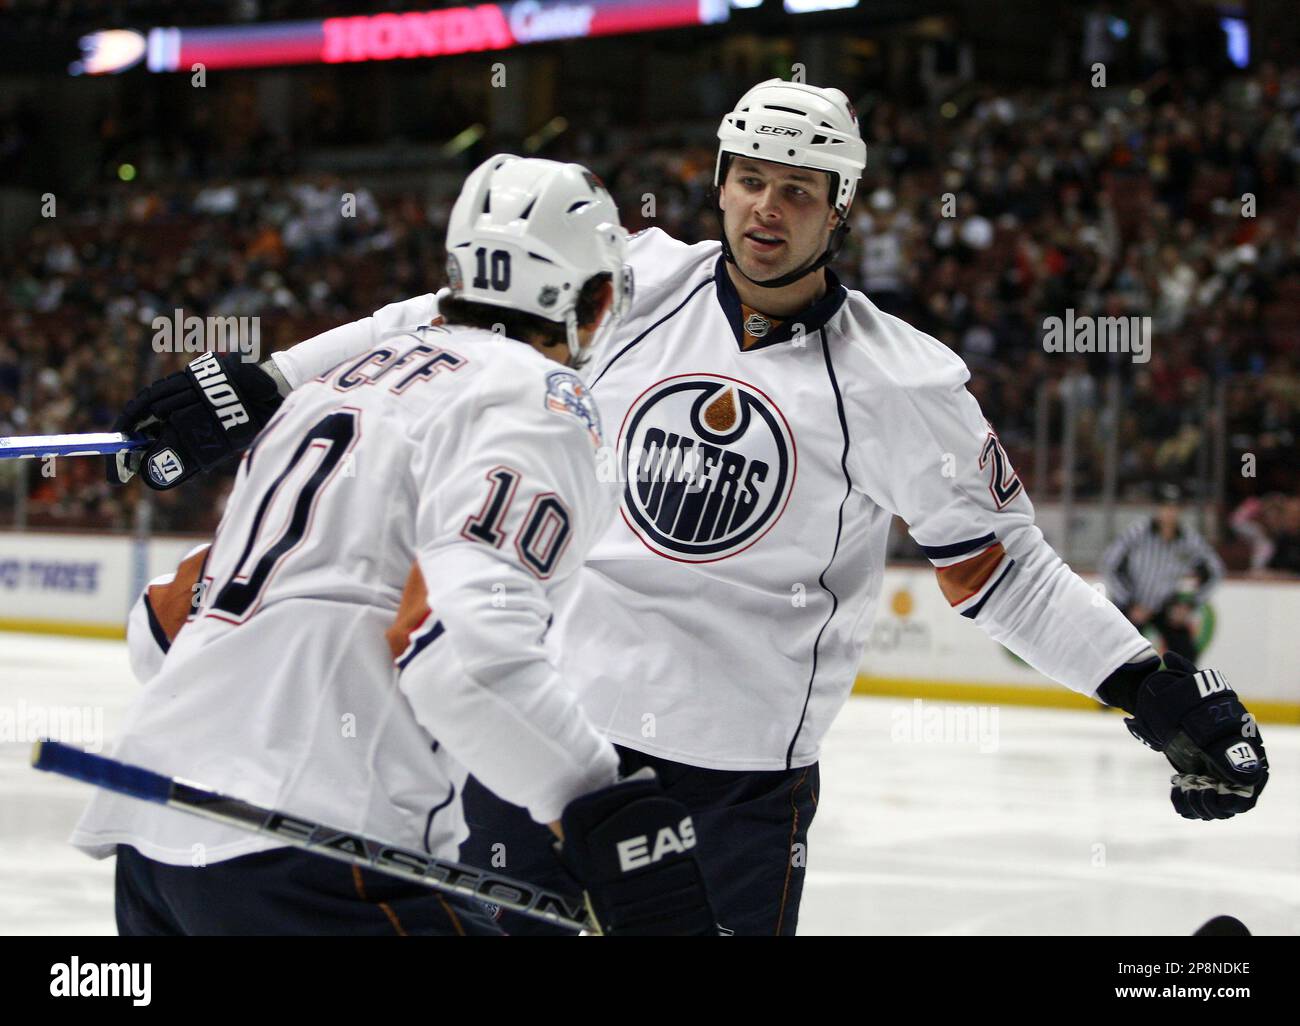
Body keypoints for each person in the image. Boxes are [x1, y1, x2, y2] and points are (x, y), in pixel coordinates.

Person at [108, 81, 1269, 935]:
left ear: (840, 210)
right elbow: (446, 313)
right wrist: (267, 382)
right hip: (553, 752)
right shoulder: (632, 287)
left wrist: (1151, 687)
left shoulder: (900, 382)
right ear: (719, 182)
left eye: (799, 191)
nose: (767, 209)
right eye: (750, 180)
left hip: (738, 792)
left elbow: (1005, 571)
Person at [75, 155, 715, 936]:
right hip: (316, 854)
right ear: (601, 295)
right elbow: (458, 653)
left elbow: (162, 627)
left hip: (156, 849)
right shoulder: (539, 401)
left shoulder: (331, 391)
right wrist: (606, 814)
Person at [1101, 484, 1226, 662]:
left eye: (1175, 507)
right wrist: (1129, 602)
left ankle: (1182, 690)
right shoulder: (1139, 532)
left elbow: (1215, 570)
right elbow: (1110, 564)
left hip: (1167, 607)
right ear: (1157, 508)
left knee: (1186, 658)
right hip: (1134, 604)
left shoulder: (1188, 538)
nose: (1170, 512)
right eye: (1165, 507)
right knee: (1119, 657)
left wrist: (1188, 605)